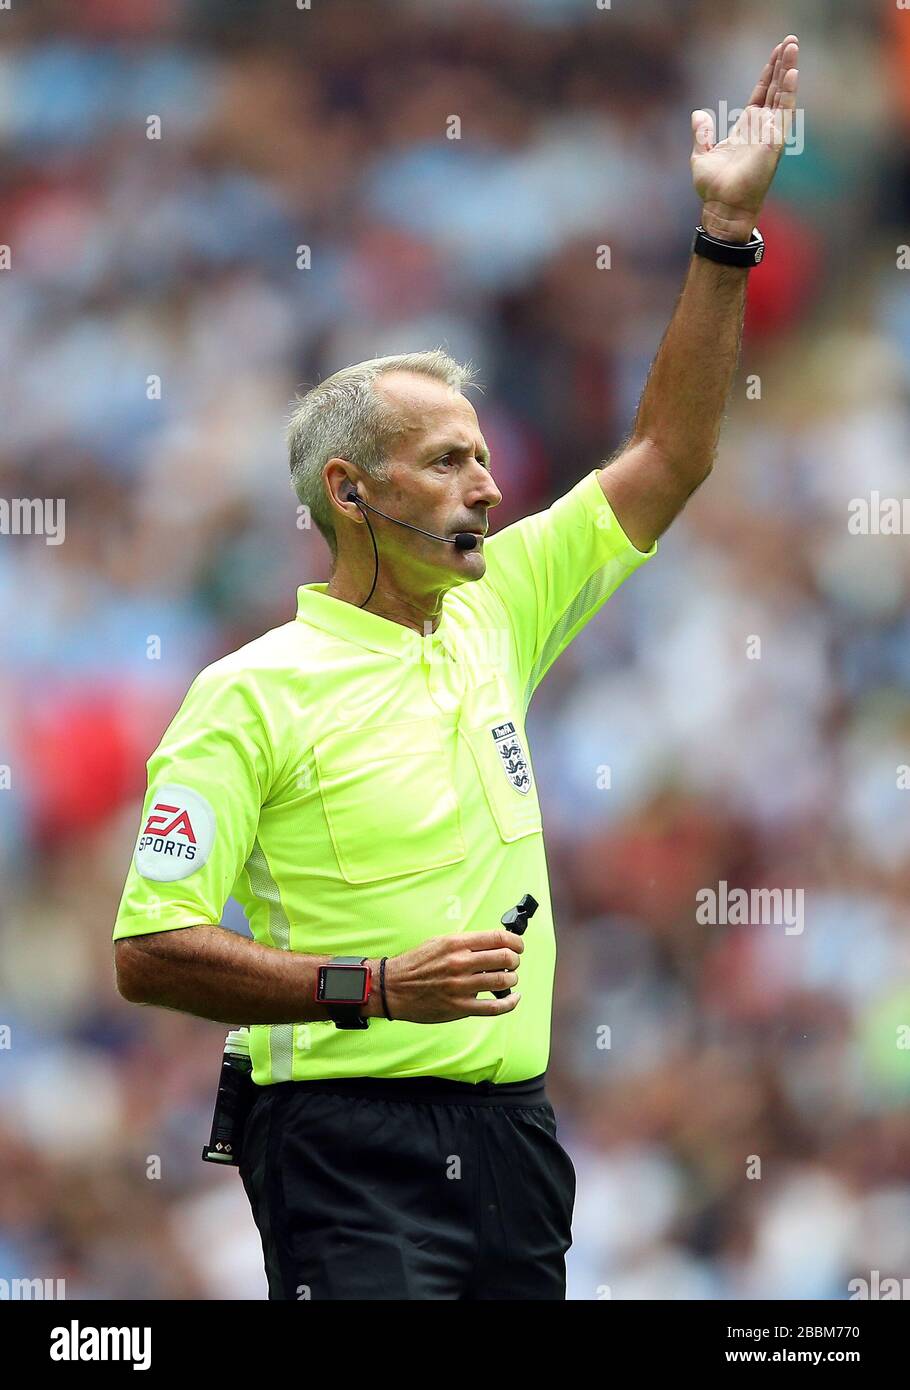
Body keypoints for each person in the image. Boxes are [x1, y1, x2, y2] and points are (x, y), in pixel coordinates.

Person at [112, 36, 800, 1300]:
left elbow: (669, 452)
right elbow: (149, 946)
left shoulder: (499, 607)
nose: (486, 484)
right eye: (444, 461)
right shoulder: (251, 688)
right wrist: (370, 986)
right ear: (349, 490)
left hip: (515, 1138)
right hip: (343, 1144)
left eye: (482, 456)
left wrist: (722, 234)